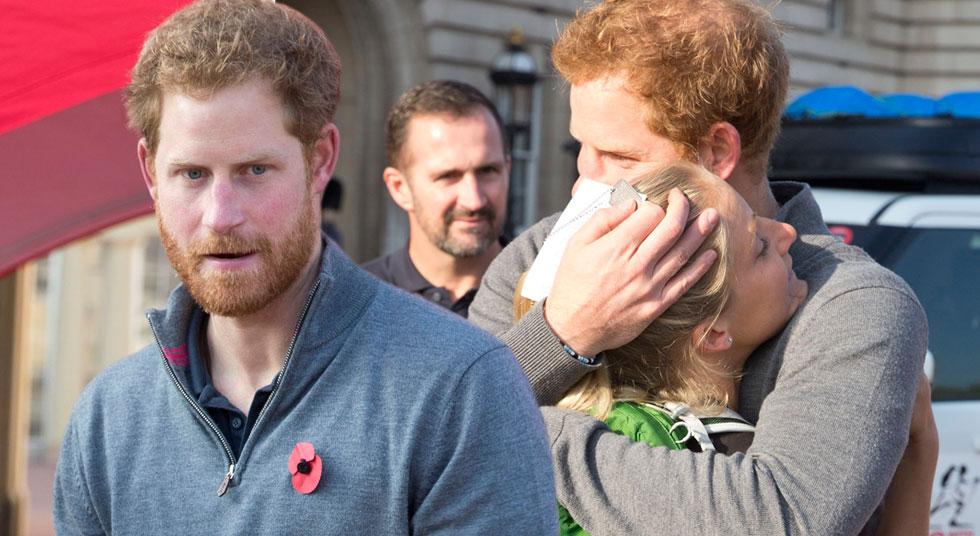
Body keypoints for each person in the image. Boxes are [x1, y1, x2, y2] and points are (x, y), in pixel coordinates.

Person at [52, 1, 557, 534]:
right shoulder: (107, 420)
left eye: (255, 170)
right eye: (192, 174)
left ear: (319, 162)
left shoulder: (463, 389)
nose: (220, 216)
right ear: (151, 174)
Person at [468, 0, 936, 533]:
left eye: (619, 158)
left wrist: (512, 424)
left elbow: (782, 518)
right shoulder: (539, 255)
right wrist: (560, 334)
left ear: (717, 151)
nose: (583, 183)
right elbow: (434, 444)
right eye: (581, 147)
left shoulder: (852, 303)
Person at [512, 163, 934, 536]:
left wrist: (919, 446)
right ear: (714, 333)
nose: (787, 232)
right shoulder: (698, 456)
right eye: (760, 248)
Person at [363, 80, 510, 318]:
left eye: (488, 171)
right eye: (448, 176)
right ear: (400, 188)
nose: (474, 200)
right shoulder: (355, 306)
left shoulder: (551, 295)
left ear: (508, 169)